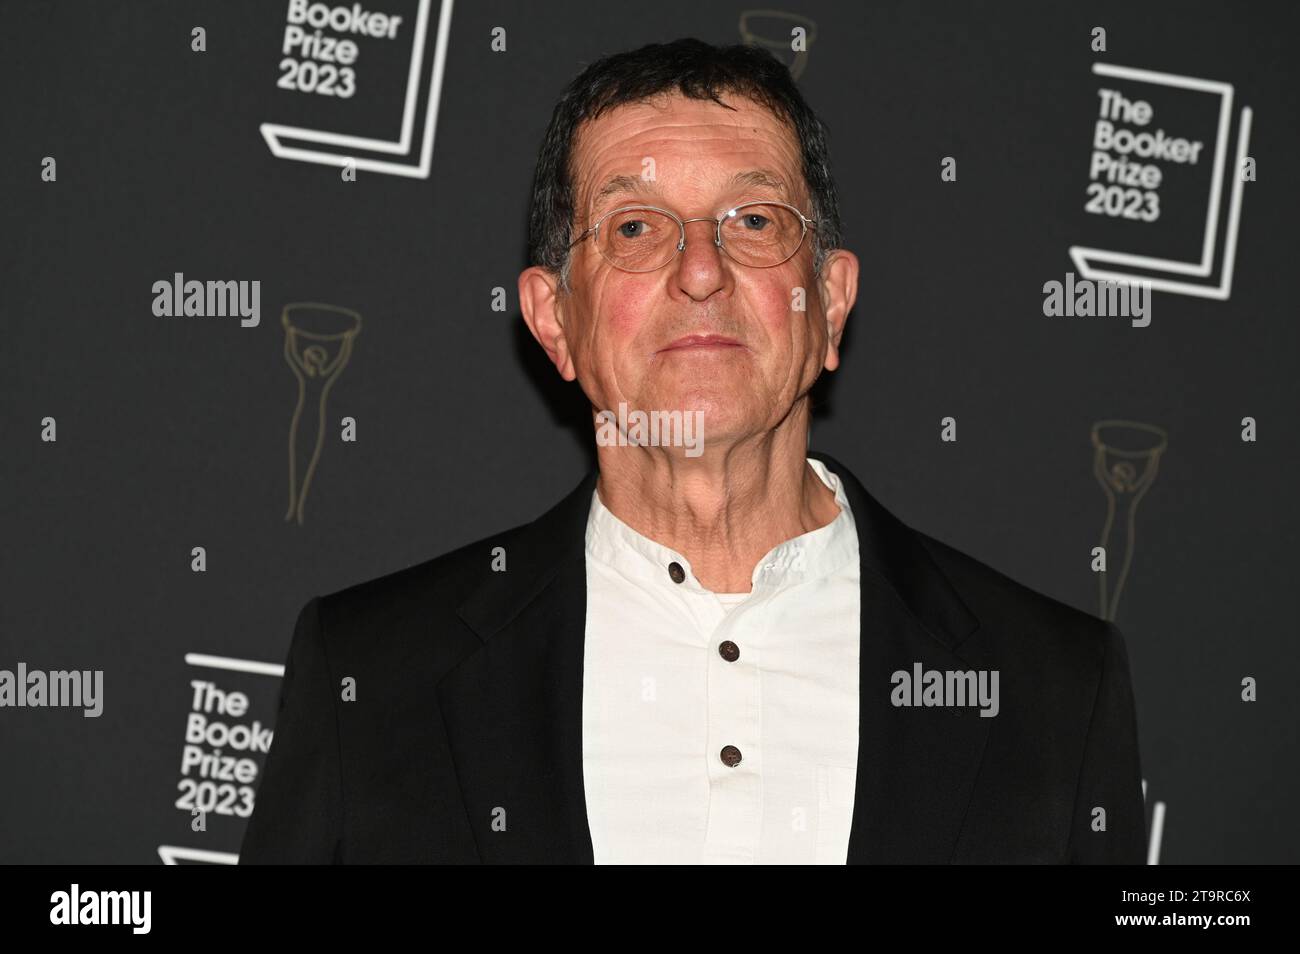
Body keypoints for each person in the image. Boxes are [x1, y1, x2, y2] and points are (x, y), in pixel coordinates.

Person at [239, 38, 1145, 864]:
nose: (702, 269)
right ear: (556, 321)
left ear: (829, 302)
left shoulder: (1052, 688)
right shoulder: (372, 677)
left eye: (753, 220)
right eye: (635, 228)